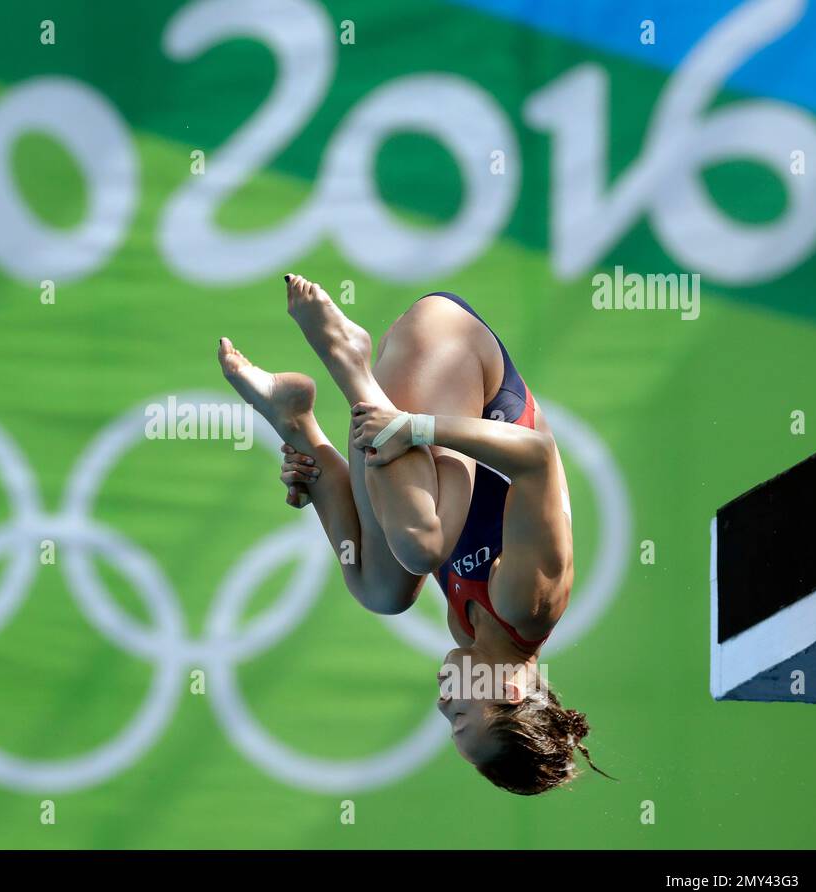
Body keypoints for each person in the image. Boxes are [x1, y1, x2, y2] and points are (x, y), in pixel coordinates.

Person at [217, 274, 611, 794]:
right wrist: (416, 427)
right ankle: (345, 355)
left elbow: (374, 524)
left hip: (409, 410)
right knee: (421, 545)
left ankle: (295, 422)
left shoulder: (469, 632)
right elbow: (537, 459)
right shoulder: (528, 605)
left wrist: (312, 483)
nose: (443, 703)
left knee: (382, 591)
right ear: (511, 690)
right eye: (461, 717)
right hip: (448, 344)